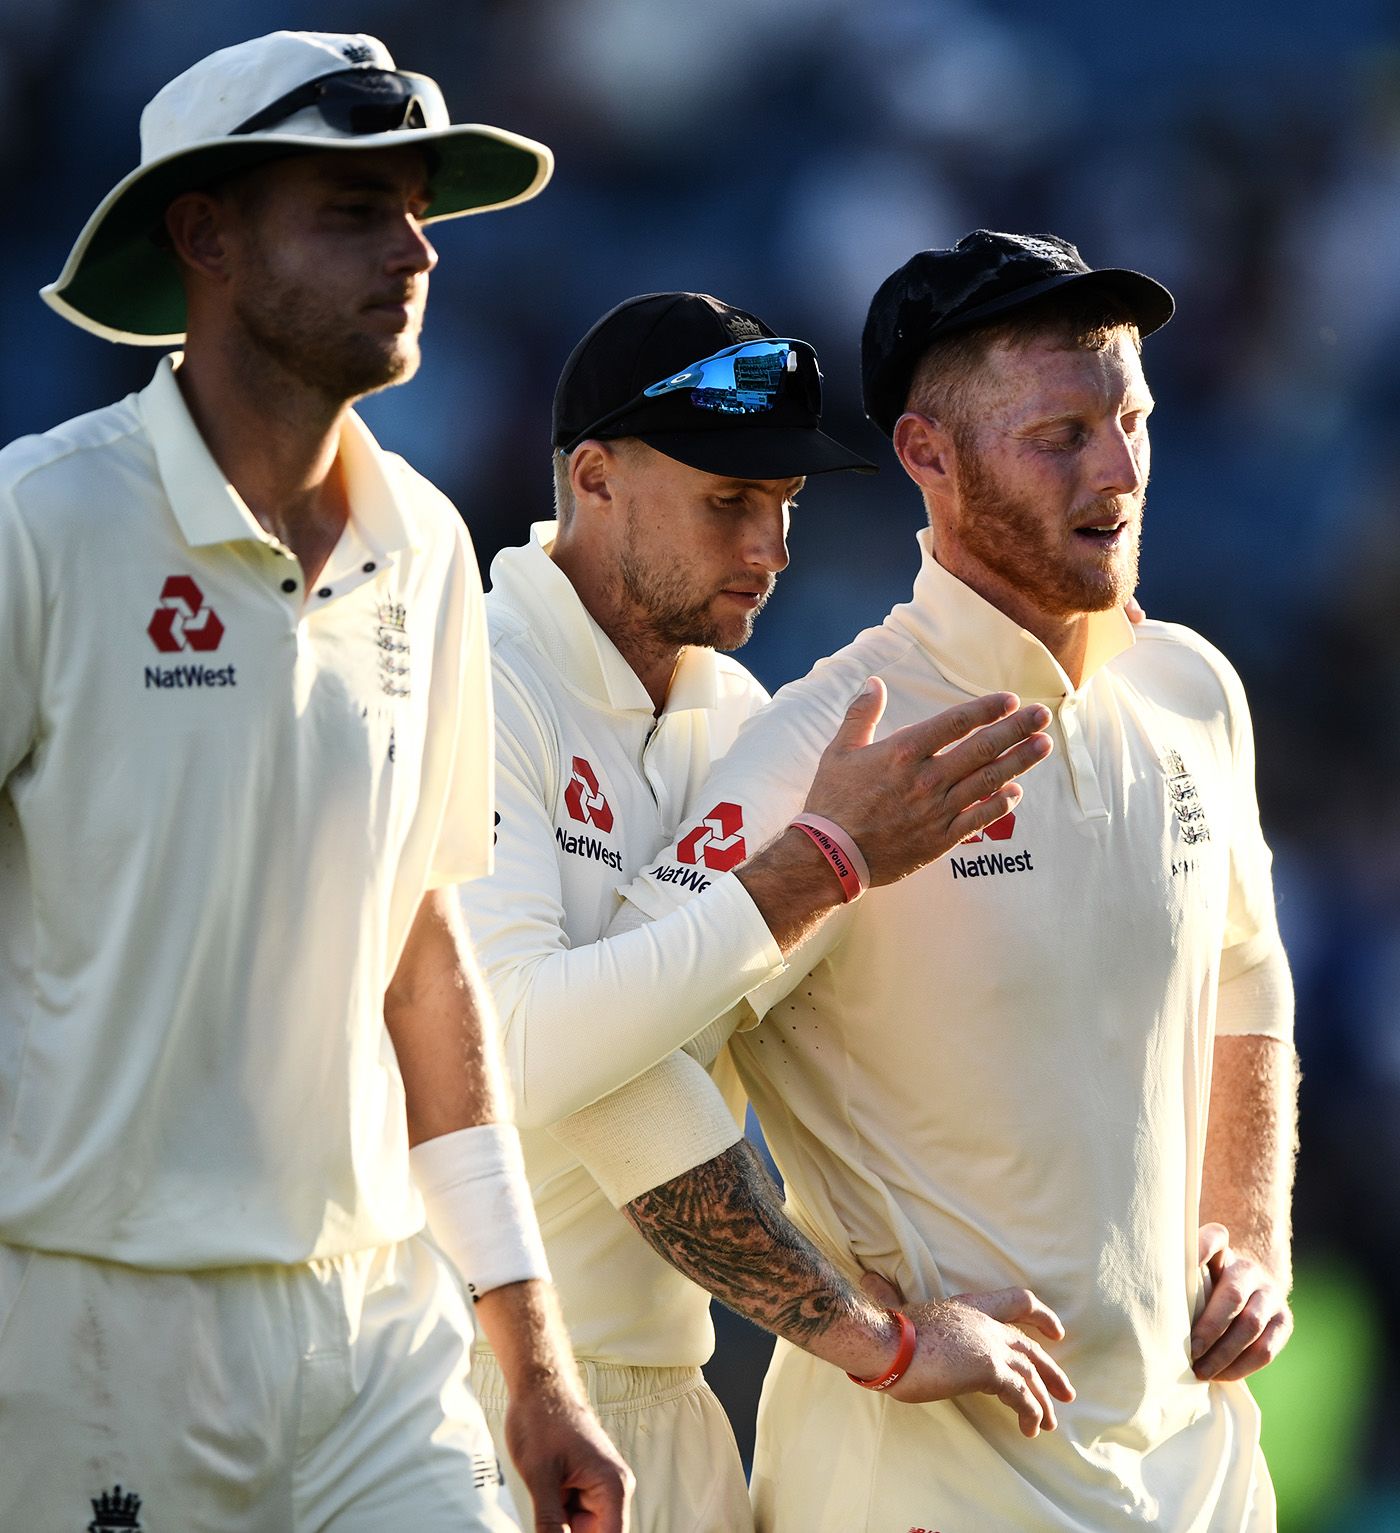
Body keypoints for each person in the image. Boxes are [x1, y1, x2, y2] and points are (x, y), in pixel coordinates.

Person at [553, 231, 1298, 1531]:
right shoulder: (824, 744)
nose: (1118, 472)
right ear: (927, 455)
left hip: (1201, 1484)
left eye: (1130, 420)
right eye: (1059, 435)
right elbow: (604, 1068)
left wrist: (1246, 1230)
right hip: (926, 1492)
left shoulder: (1190, 689)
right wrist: (863, 1335)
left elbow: (1244, 969)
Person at [0, 31, 629, 1532]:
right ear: (204, 237)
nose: (415, 250)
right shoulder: (39, 522)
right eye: (353, 213)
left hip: (376, 1338)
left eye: (414, 210)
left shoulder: (428, 542)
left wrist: (534, 1363)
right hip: (92, 1332)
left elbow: (424, 955)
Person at [459, 289, 1073, 1532]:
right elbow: (522, 1053)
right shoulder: (471, 682)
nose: (771, 548)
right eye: (729, 501)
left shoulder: (738, 716)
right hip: (466, 1395)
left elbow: (666, 1052)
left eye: (785, 504)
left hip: (672, 1401)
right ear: (594, 478)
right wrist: (821, 862)